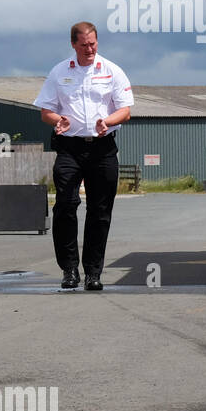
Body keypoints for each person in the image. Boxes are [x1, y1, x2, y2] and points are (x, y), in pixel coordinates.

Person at [34, 22, 133, 290]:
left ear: (97, 42)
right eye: (84, 45)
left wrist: (108, 121)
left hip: (102, 148)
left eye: (93, 44)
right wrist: (58, 120)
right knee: (65, 206)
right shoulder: (59, 72)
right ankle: (69, 270)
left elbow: (125, 110)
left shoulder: (112, 71)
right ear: (73, 45)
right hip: (70, 148)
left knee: (100, 212)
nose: (89, 49)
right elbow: (45, 111)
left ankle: (93, 273)